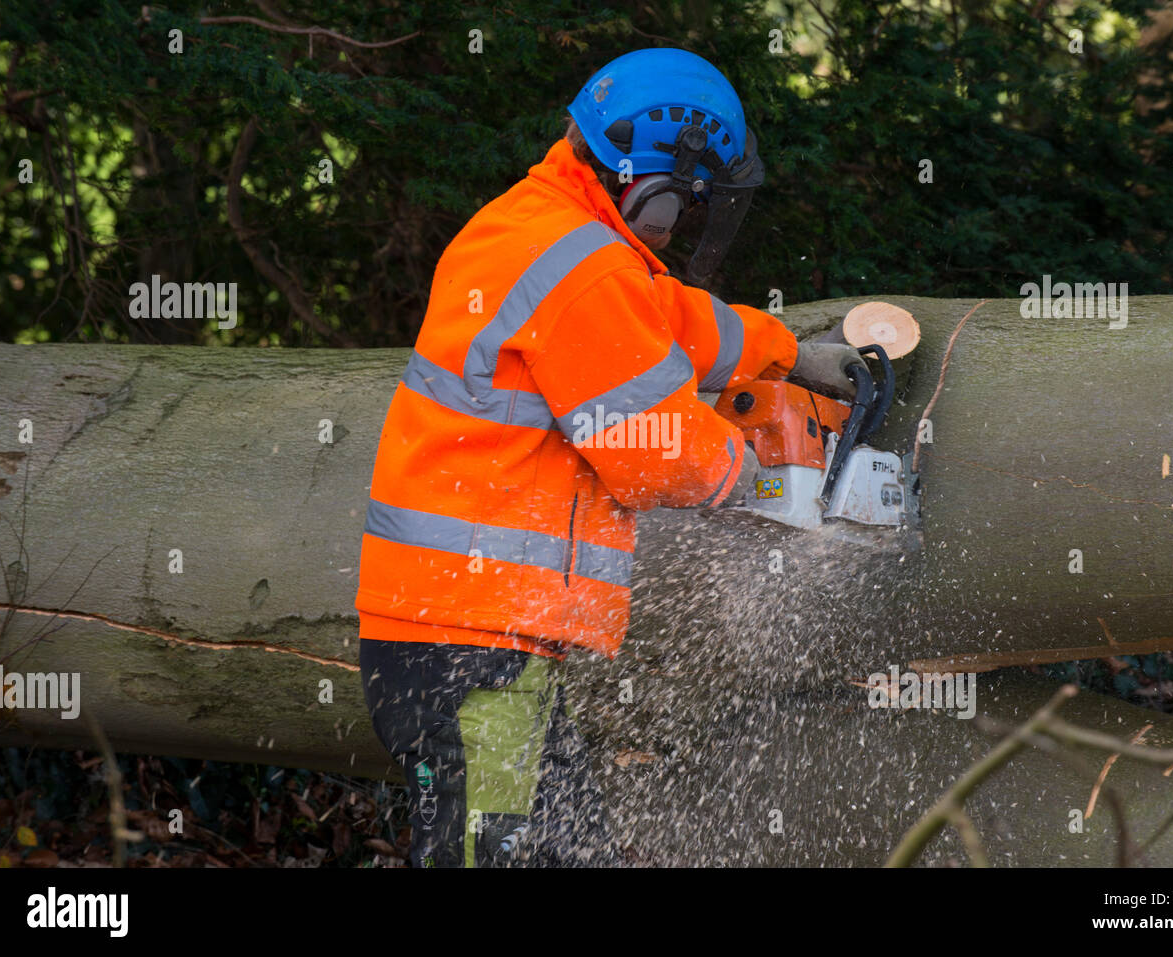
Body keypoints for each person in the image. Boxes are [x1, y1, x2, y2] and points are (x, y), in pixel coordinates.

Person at [356, 47, 859, 867]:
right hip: (469, 648)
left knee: (560, 849)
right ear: (657, 188)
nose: (686, 220)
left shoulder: (546, 228)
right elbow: (650, 452)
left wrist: (782, 355)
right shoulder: (580, 267)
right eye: (689, 203)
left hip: (458, 635)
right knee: (505, 852)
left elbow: (663, 316)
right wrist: (762, 475)